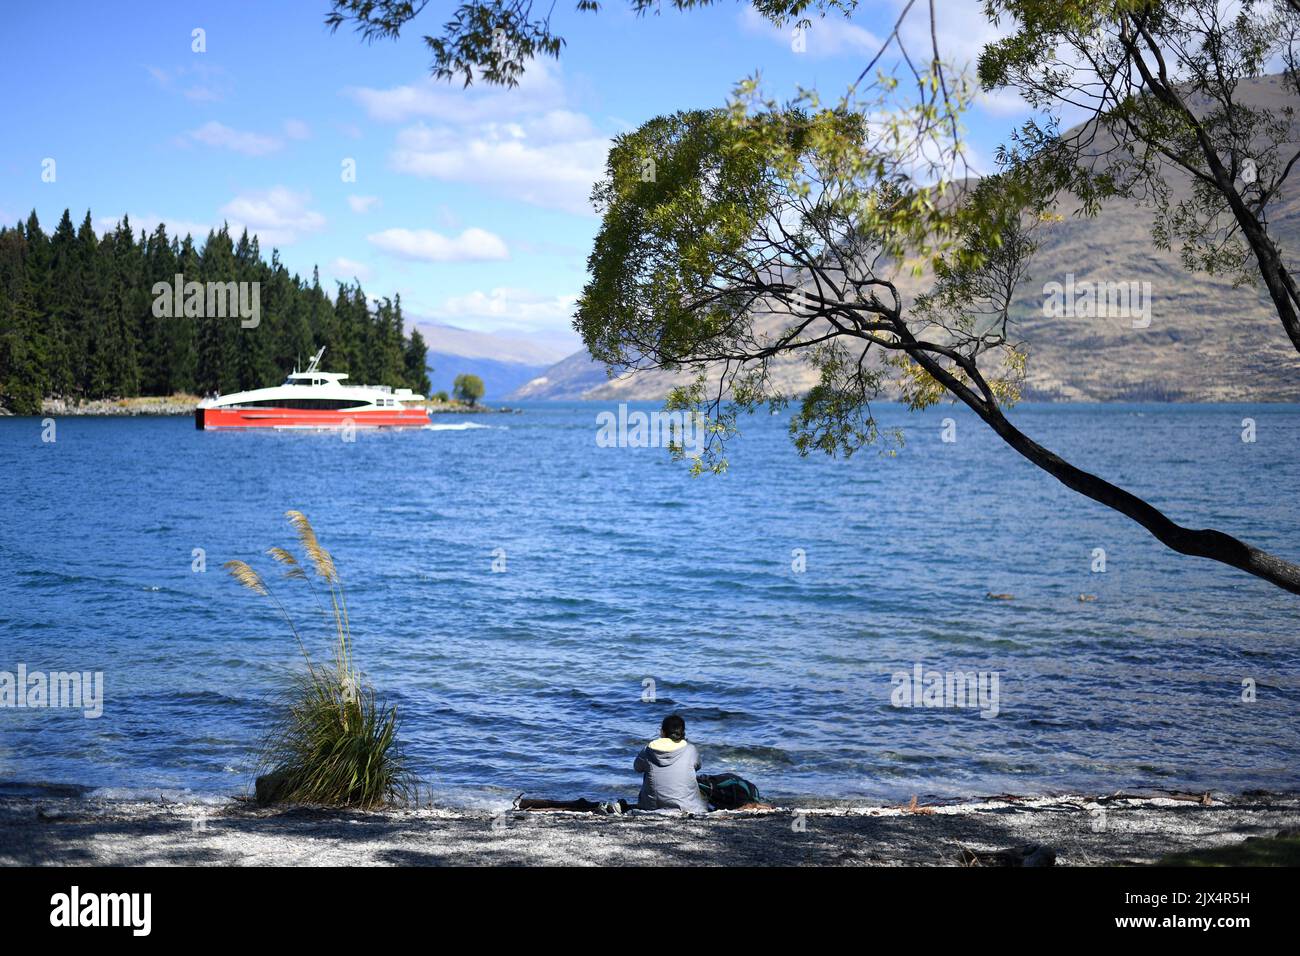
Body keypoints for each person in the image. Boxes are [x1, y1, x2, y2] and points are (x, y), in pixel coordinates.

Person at [634, 713, 708, 814]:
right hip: (687, 806)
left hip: (651, 807)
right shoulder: (690, 750)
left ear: (662, 732)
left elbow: (637, 768)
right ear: (682, 732)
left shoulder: (648, 750)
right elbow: (698, 766)